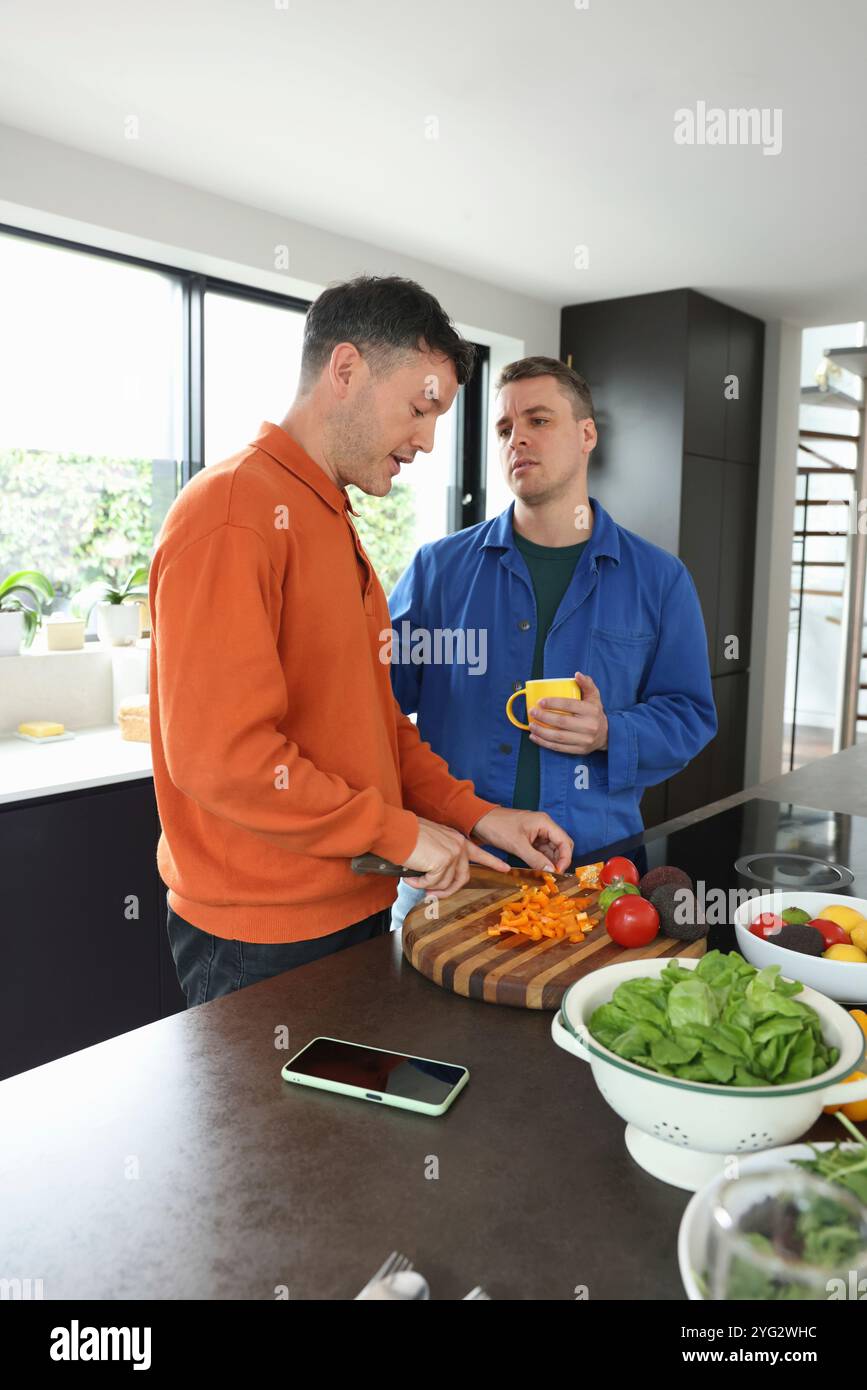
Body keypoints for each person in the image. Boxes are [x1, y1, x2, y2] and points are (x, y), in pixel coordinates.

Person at [148, 281, 573, 1005]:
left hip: (355, 904)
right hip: (262, 938)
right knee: (273, 1127)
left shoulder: (332, 524)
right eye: (418, 407)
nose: (427, 441)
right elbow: (223, 757)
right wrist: (399, 835)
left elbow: (376, 728)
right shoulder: (232, 512)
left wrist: (475, 815)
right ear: (344, 371)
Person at [388, 355, 717, 929]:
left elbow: (689, 716)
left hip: (599, 870)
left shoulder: (660, 579)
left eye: (539, 420)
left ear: (587, 434)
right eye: (504, 428)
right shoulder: (437, 570)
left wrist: (611, 731)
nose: (518, 439)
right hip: (457, 861)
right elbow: (373, 700)